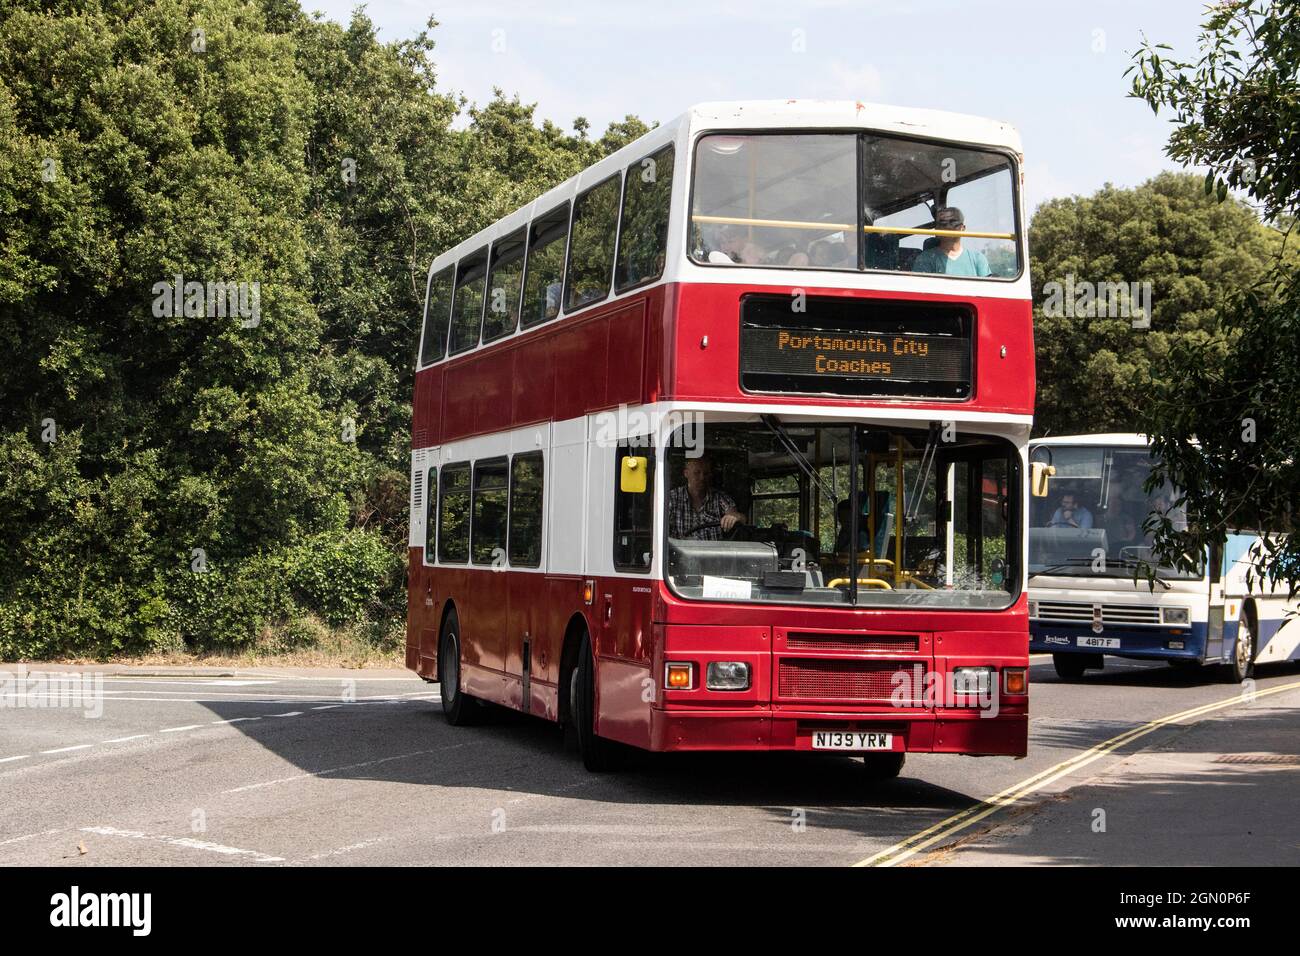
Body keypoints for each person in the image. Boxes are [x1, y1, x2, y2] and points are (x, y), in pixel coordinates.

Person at [667, 456, 746, 540]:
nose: (702, 478)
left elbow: (738, 516)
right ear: (686, 473)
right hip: (680, 552)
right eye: (697, 473)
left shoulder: (719, 498)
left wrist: (733, 517)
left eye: (706, 473)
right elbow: (660, 528)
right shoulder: (672, 498)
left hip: (712, 552)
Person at [910, 206, 991, 277]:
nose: (948, 226)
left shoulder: (977, 258)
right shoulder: (926, 259)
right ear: (937, 229)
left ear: (963, 228)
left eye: (953, 222)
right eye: (943, 223)